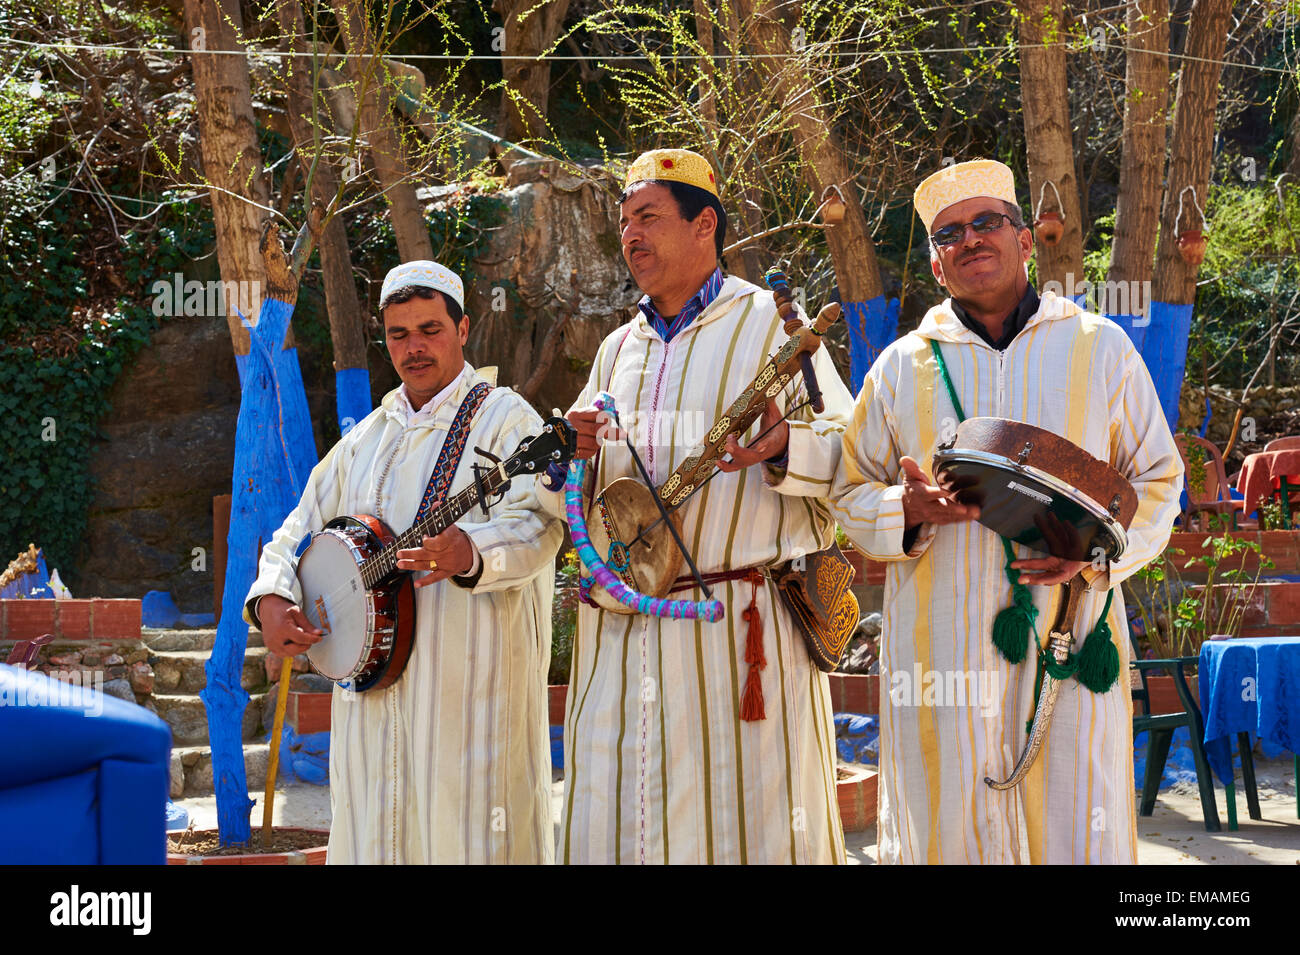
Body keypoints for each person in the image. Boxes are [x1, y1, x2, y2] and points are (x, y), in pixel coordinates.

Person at [830, 159, 1183, 864]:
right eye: (949, 233)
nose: (970, 239)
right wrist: (908, 506)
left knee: (1074, 827)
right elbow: (847, 488)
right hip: (938, 659)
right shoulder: (901, 367)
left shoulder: (1099, 347)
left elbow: (1158, 479)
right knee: (948, 834)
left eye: (987, 221)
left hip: (1071, 638)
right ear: (934, 263)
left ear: (1025, 241)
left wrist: (1097, 559)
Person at [544, 148, 853, 864]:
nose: (630, 235)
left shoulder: (775, 327)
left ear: (704, 224)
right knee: (624, 827)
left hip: (737, 637)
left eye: (647, 217)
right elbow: (579, 490)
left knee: (750, 832)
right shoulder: (618, 348)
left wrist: (784, 448)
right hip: (621, 641)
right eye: (624, 222)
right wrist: (574, 449)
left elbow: (850, 455)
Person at [244, 260, 563, 864]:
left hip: (471, 699)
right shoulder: (366, 438)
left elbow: (543, 524)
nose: (414, 347)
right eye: (398, 334)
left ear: (463, 329)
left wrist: (472, 551)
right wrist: (274, 599)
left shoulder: (509, 421)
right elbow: (297, 528)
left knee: (469, 839)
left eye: (429, 330)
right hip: (369, 703)